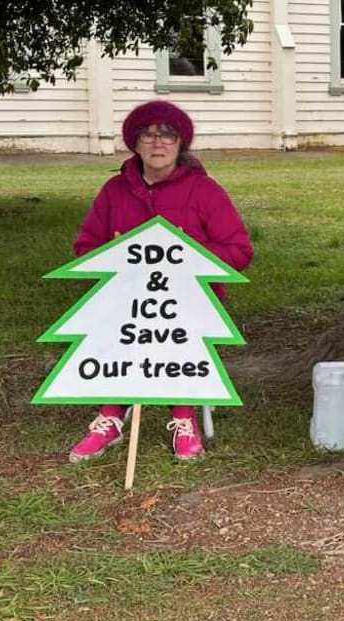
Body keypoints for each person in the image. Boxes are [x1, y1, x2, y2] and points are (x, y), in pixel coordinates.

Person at [68, 100, 254, 463]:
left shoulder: (205, 191)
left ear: (179, 143)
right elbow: (85, 247)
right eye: (148, 135)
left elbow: (239, 250)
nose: (157, 143)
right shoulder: (114, 191)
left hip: (190, 299)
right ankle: (111, 416)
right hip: (126, 298)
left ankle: (184, 417)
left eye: (167, 135)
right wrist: (121, 259)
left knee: (177, 326)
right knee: (114, 324)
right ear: (135, 143)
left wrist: (186, 257)